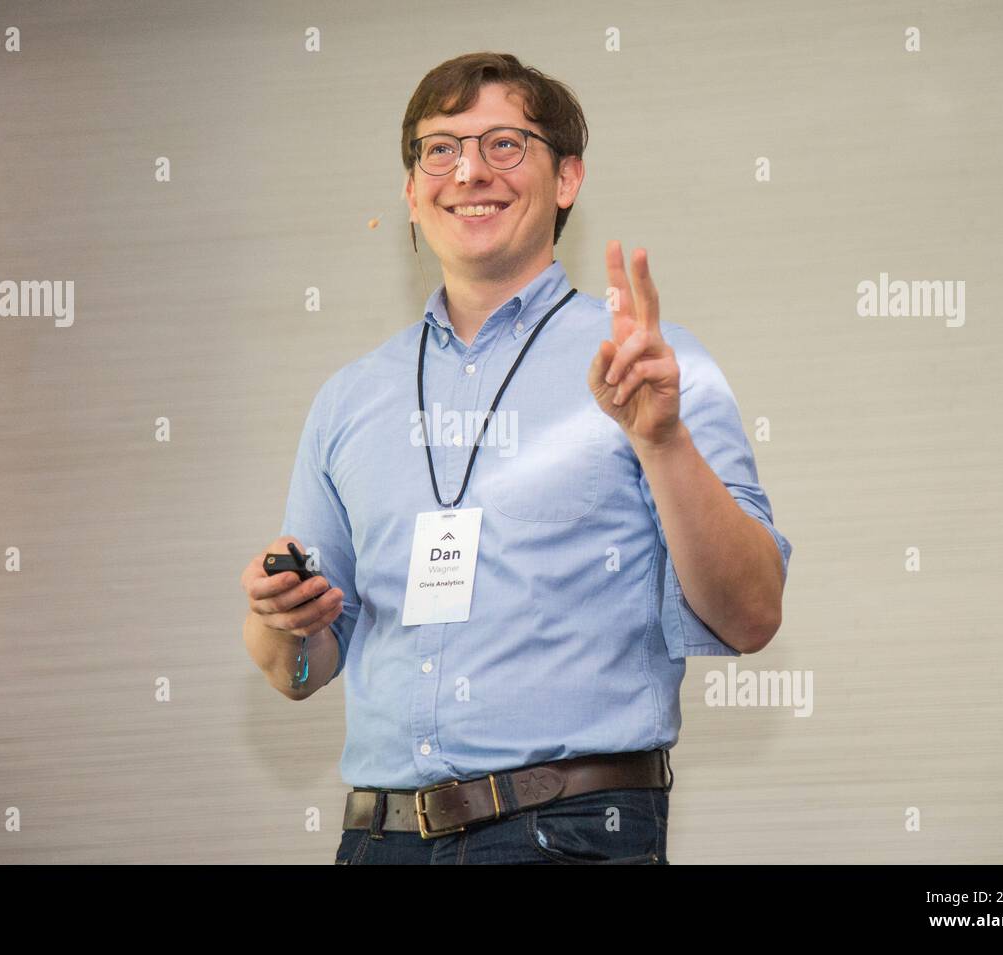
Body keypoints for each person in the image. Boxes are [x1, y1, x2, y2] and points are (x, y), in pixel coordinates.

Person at [241, 52, 792, 865]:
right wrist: (276, 619)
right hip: (378, 840)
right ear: (409, 190)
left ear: (567, 177)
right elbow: (302, 670)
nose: (468, 170)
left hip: (567, 831)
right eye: (440, 148)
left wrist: (662, 439)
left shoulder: (650, 365)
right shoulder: (349, 400)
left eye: (505, 144)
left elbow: (752, 615)